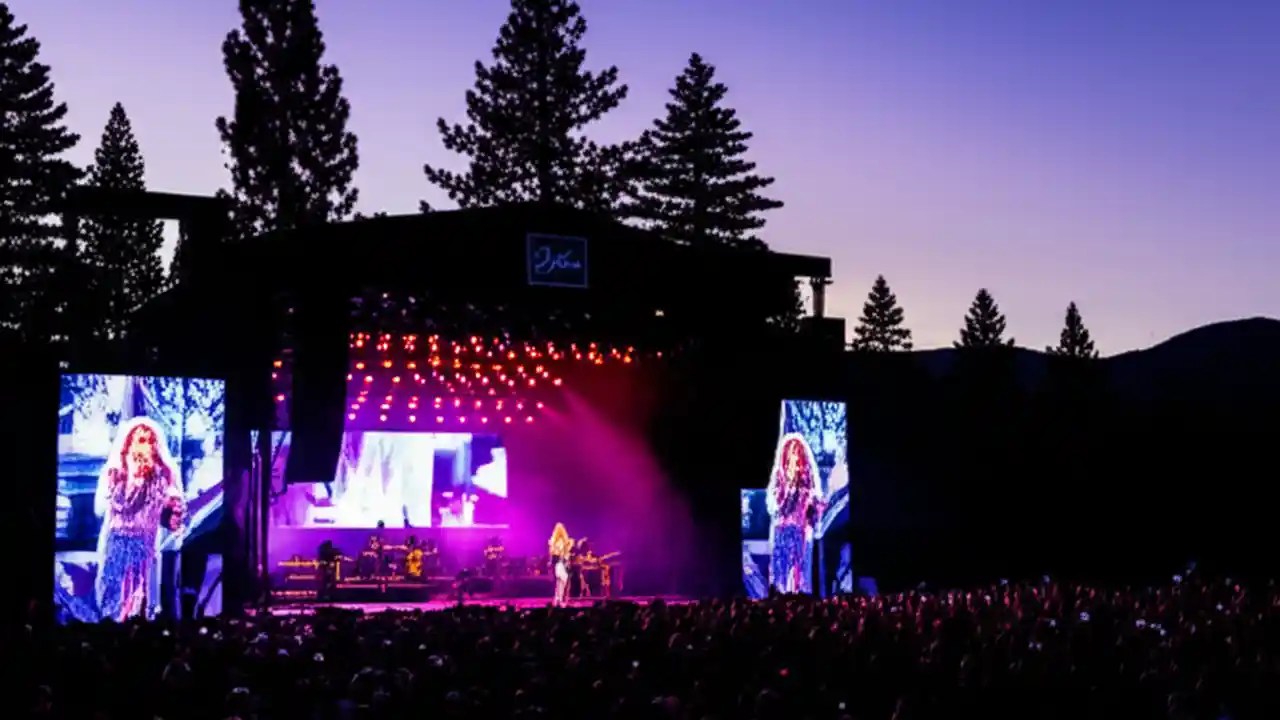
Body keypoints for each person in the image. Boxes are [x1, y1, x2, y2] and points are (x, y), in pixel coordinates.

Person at [93, 417, 185, 621]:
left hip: (145, 542)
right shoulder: (114, 472)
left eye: (151, 441)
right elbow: (102, 508)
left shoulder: (164, 475)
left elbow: (173, 515)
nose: (146, 445)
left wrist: (173, 510)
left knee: (140, 596)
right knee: (113, 593)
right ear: (129, 442)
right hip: (117, 540)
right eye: (141, 439)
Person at [766, 434, 824, 594]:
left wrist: (815, 506)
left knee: (798, 570)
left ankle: (798, 595)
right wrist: (786, 489)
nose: (794, 459)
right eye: (791, 454)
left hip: (800, 530)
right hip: (782, 530)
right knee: (781, 572)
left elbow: (815, 510)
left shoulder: (808, 483)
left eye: (797, 454)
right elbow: (774, 507)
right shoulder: (779, 480)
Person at [548, 523, 573, 607]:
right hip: (558, 563)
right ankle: (558, 598)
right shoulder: (554, 541)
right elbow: (552, 554)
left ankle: (558, 598)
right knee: (562, 580)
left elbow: (566, 553)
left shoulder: (564, 541)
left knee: (561, 581)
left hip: (563, 563)